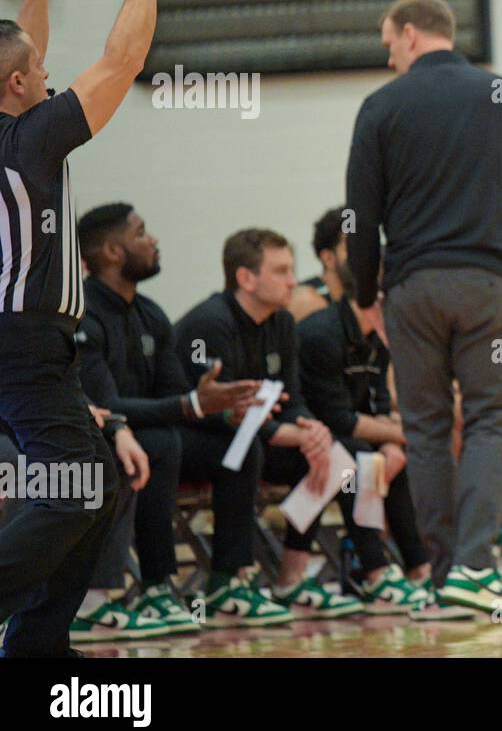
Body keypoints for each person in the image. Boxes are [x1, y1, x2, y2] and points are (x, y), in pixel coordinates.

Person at [346, 0, 502, 618]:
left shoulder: (381, 105)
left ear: (411, 34)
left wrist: (364, 294)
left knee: (426, 431)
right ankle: (475, 570)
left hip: (412, 290)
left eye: (389, 43)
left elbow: (359, 215)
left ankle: (444, 577)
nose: (388, 56)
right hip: (489, 290)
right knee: (491, 421)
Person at [0, 0, 156, 657]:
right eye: (39, 73)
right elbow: (122, 63)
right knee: (79, 487)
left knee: (94, 484)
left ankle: (37, 645)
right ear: (19, 85)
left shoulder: (14, 125)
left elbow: (18, 57)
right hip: (25, 342)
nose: (49, 75)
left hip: (28, 345)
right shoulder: (31, 141)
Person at [76, 202, 266, 635]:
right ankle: (156, 584)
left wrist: (226, 411)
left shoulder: (152, 314)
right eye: (142, 232)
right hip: (104, 438)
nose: (154, 240)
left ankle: (226, 580)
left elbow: (177, 395)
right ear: (112, 251)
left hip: (155, 440)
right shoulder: (83, 314)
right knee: (161, 443)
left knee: (236, 447)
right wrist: (190, 404)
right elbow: (108, 403)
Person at [175, 229, 370, 620]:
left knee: (339, 454)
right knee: (247, 450)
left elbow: (292, 399)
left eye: (292, 270)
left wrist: (311, 429)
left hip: (252, 437)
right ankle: (226, 581)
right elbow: (222, 413)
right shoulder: (211, 323)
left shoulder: (281, 322)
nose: (294, 281)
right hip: (193, 436)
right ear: (246, 278)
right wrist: (293, 434)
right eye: (281, 271)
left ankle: (291, 578)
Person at [296, 267, 436, 616]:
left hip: (342, 440)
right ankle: (375, 575)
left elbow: (378, 405)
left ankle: (419, 568)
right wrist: (401, 434)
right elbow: (338, 419)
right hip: (301, 441)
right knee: (359, 459)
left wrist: (392, 443)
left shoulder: (377, 337)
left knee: (392, 458)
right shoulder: (322, 335)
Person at [288, 206, 350, 321]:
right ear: (328, 258)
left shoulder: (365, 297)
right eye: (351, 247)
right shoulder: (306, 299)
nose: (361, 254)